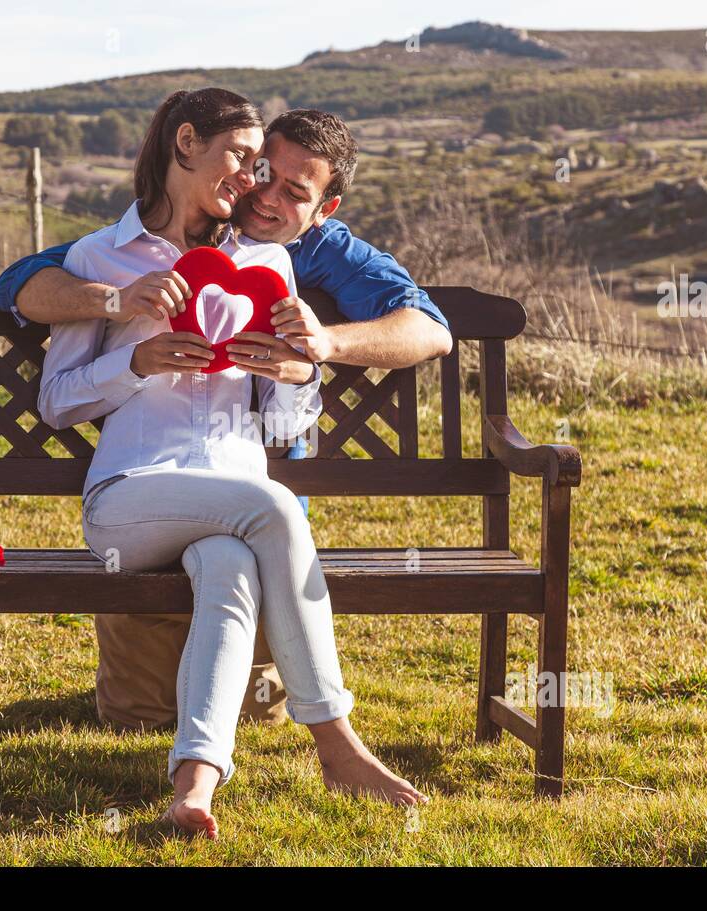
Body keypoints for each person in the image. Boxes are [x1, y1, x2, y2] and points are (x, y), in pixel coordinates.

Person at [37, 88, 426, 838]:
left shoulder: (268, 265)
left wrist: (298, 374)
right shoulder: (99, 260)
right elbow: (58, 403)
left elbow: (281, 425)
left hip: (231, 506)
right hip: (128, 502)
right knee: (272, 507)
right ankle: (337, 743)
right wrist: (138, 361)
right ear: (186, 145)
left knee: (229, 564)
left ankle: (195, 785)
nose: (252, 182)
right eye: (247, 161)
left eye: (267, 171)